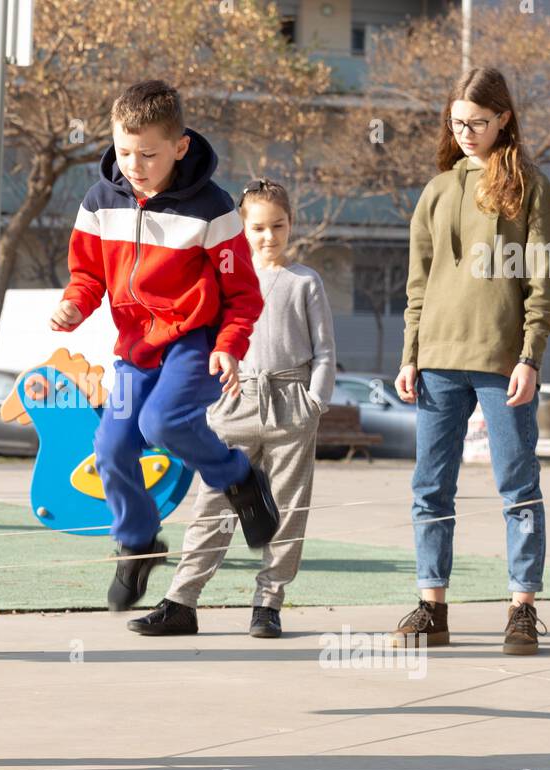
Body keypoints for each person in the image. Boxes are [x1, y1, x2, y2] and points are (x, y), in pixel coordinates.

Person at [50, 79, 279, 613]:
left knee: (165, 423)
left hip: (193, 343)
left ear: (179, 147)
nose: (134, 164)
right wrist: (73, 306)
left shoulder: (212, 209)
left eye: (148, 154)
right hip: (136, 348)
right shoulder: (99, 201)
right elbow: (87, 276)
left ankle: (240, 479)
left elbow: (242, 294)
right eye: (124, 151)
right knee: (110, 447)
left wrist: (228, 346)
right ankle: (137, 544)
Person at [391, 67, 550, 656]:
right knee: (430, 488)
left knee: (517, 485)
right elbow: (419, 283)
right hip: (437, 360)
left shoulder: (533, 188)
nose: (465, 132)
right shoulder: (437, 190)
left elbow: (543, 281)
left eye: (478, 122)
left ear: (504, 119)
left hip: (501, 361)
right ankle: (432, 608)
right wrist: (410, 354)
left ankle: (521, 607)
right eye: (457, 122)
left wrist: (530, 356)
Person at [129, 178, 336, 638]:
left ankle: (268, 603)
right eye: (258, 228)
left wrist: (315, 401)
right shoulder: (224, 280)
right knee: (213, 505)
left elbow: (324, 351)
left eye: (278, 226)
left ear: (290, 224)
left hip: (290, 407)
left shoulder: (306, 282)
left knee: (286, 508)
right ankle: (182, 602)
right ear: (241, 228)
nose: (268, 236)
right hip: (232, 405)